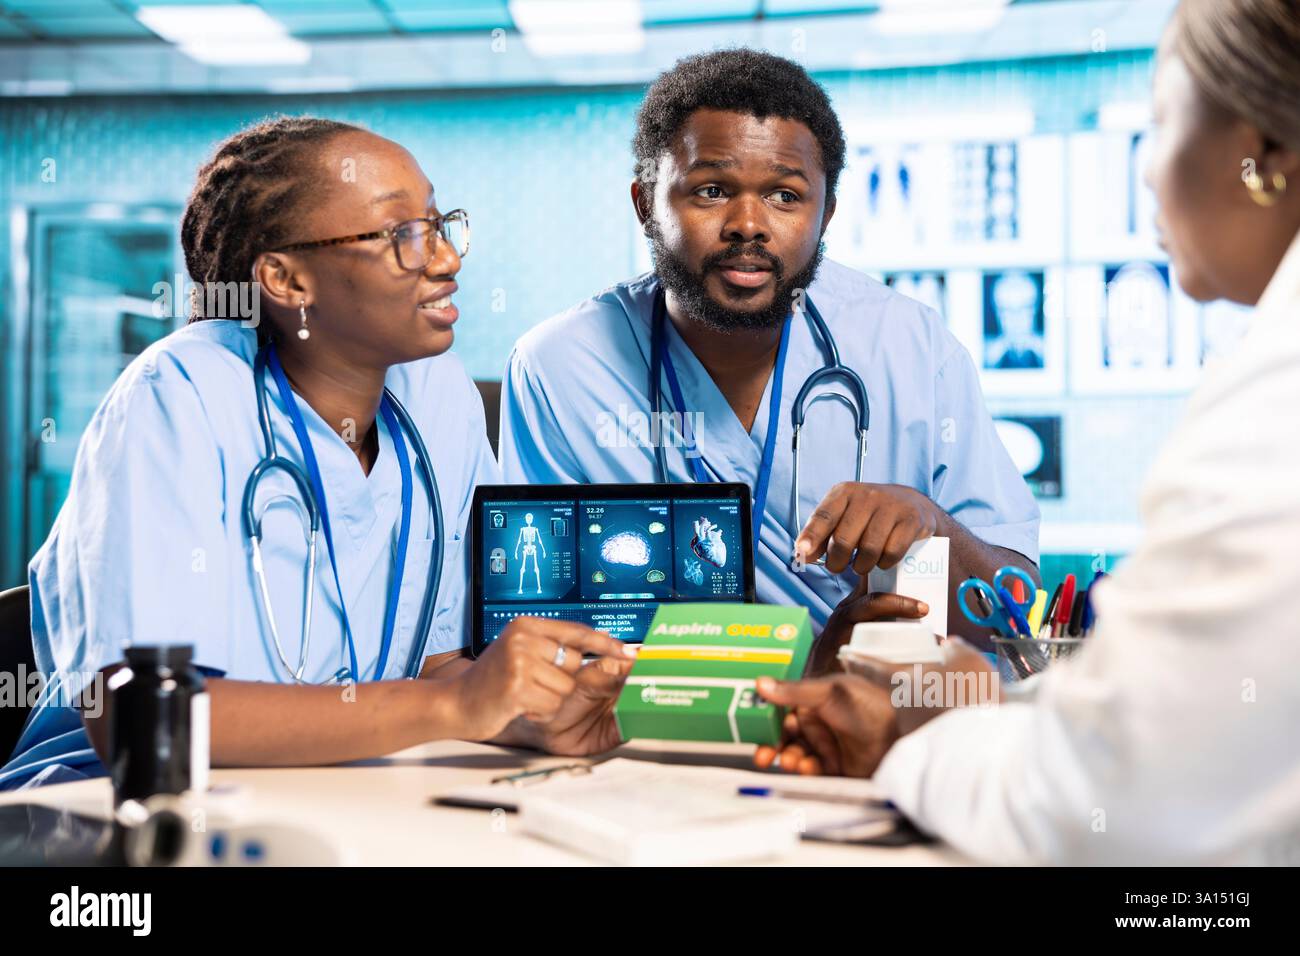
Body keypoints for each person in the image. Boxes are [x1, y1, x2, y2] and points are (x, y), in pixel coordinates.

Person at [753, 0, 1300, 865]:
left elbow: (1115, 804)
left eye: (1160, 122)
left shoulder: (1278, 397)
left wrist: (907, 743)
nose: (1149, 171)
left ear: (1265, 152)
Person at [1, 117, 631, 791]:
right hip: (115, 805)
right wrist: (455, 705)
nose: (446, 259)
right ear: (285, 279)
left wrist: (524, 718)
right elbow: (142, 716)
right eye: (402, 236)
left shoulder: (436, 394)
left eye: (439, 223)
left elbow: (438, 664)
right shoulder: (178, 394)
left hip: (338, 791)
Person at [498, 50, 1041, 654]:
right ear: (645, 204)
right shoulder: (562, 365)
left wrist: (932, 533)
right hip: (656, 731)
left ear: (825, 212)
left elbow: (1011, 618)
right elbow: (538, 637)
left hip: (879, 728)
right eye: (711, 190)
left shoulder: (912, 348)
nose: (748, 225)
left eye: (785, 196)